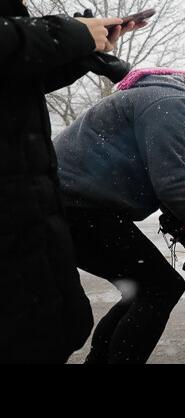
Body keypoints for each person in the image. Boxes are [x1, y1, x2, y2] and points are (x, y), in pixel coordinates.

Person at [53, 42, 185, 364]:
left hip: (78, 205)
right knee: (160, 288)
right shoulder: (173, 103)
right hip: (76, 207)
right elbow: (174, 188)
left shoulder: (170, 100)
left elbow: (166, 185)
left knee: (146, 288)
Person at [0, 1, 142, 363]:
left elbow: (19, 79)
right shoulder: (175, 105)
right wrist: (71, 35)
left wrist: (82, 45)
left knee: (46, 331)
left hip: (32, 210)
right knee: (158, 287)